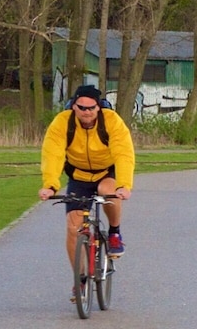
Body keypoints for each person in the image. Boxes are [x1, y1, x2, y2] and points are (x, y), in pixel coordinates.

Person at [39, 84, 137, 269]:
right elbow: (53, 154)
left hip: (106, 172)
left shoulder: (111, 120)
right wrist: (50, 185)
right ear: (74, 106)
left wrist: (124, 185)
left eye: (91, 107)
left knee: (108, 191)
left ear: (98, 107)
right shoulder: (63, 122)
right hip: (79, 176)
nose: (86, 112)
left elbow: (123, 153)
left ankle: (114, 232)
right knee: (73, 228)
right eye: (81, 107)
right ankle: (81, 280)